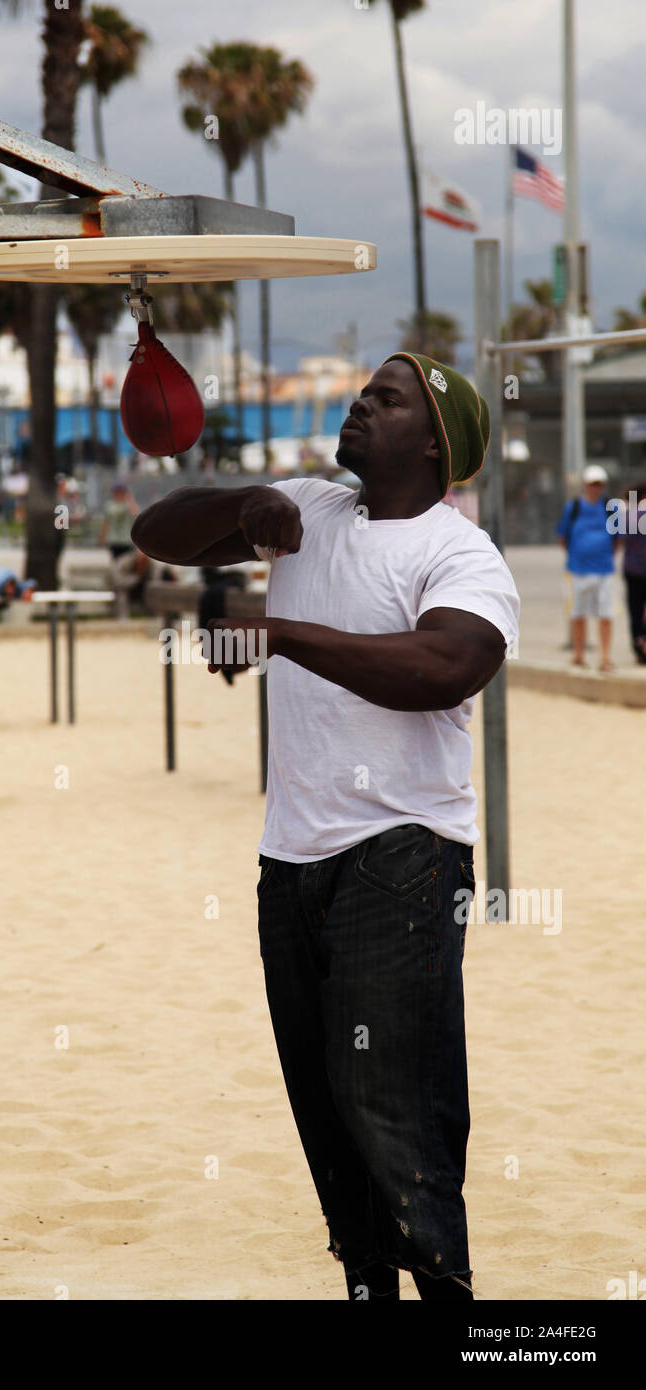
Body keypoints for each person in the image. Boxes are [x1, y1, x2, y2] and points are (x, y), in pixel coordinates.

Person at [132, 353, 520, 1301]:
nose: (360, 404)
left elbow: (444, 666)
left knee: (391, 1105)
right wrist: (248, 498)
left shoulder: (460, 552)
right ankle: (367, 1286)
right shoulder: (309, 507)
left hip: (403, 854)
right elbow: (157, 531)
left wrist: (282, 636)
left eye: (386, 398)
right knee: (322, 1102)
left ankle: (449, 1293)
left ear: (435, 441)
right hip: (291, 859)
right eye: (362, 391)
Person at [555, 464, 621, 672]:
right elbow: (562, 536)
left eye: (599, 484)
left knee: (606, 615)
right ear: (585, 485)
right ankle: (578, 654)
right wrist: (577, 554)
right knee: (577, 614)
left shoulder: (611, 508)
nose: (596, 488)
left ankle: (605, 657)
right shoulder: (573, 508)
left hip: (604, 569)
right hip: (577, 570)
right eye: (593, 484)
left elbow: (618, 539)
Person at [621, 481, 646, 664]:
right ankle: (642, 641)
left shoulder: (628, 517)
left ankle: (638, 646)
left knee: (635, 611)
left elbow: (620, 540)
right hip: (637, 570)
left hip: (632, 570)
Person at [98, 482, 139, 559]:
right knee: (117, 563)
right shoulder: (109, 506)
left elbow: (135, 513)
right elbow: (105, 523)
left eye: (121, 492)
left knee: (128, 564)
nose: (119, 494)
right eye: (117, 492)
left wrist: (129, 498)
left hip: (127, 540)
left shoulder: (128, 505)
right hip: (114, 540)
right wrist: (102, 537)